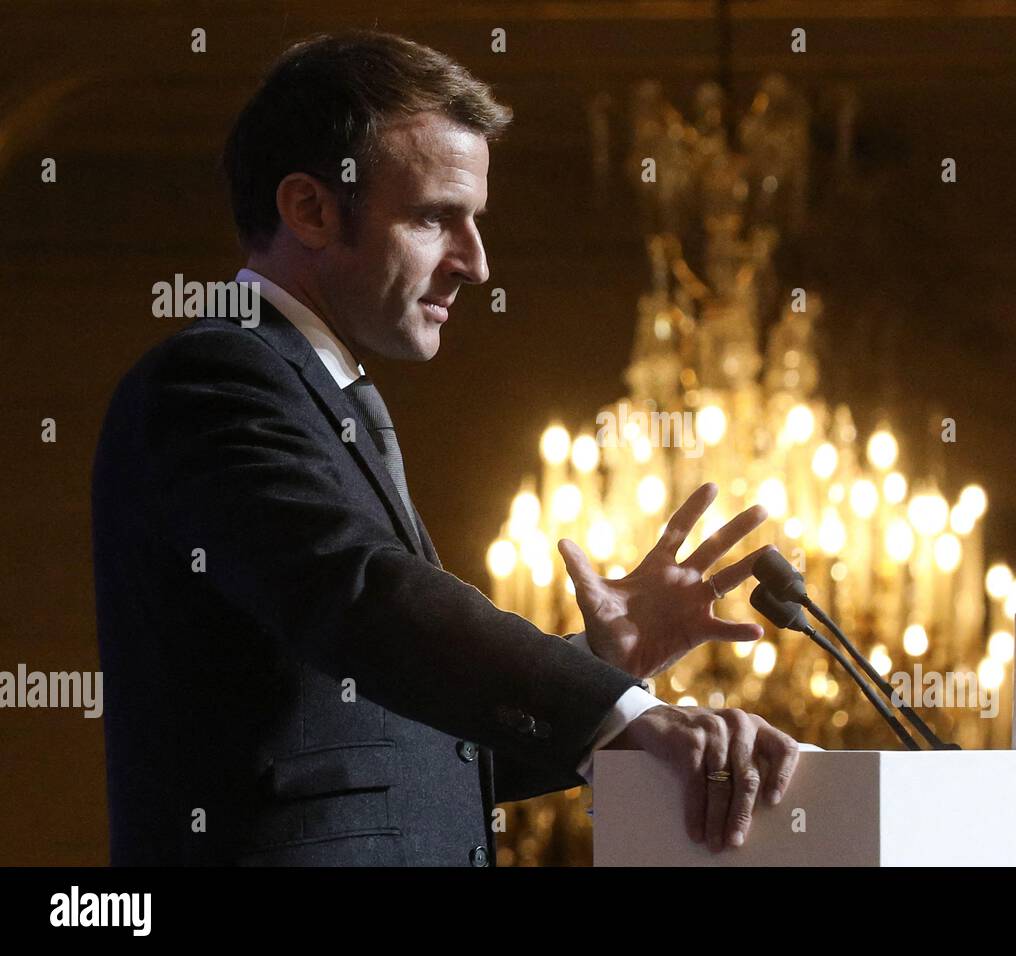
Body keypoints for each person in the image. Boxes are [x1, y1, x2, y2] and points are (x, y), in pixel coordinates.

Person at [91, 30, 799, 866]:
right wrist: (628, 717)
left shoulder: (311, 389)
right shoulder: (211, 380)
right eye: (435, 218)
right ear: (310, 209)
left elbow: (413, 754)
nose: (477, 263)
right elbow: (363, 593)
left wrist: (602, 665)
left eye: (475, 222)